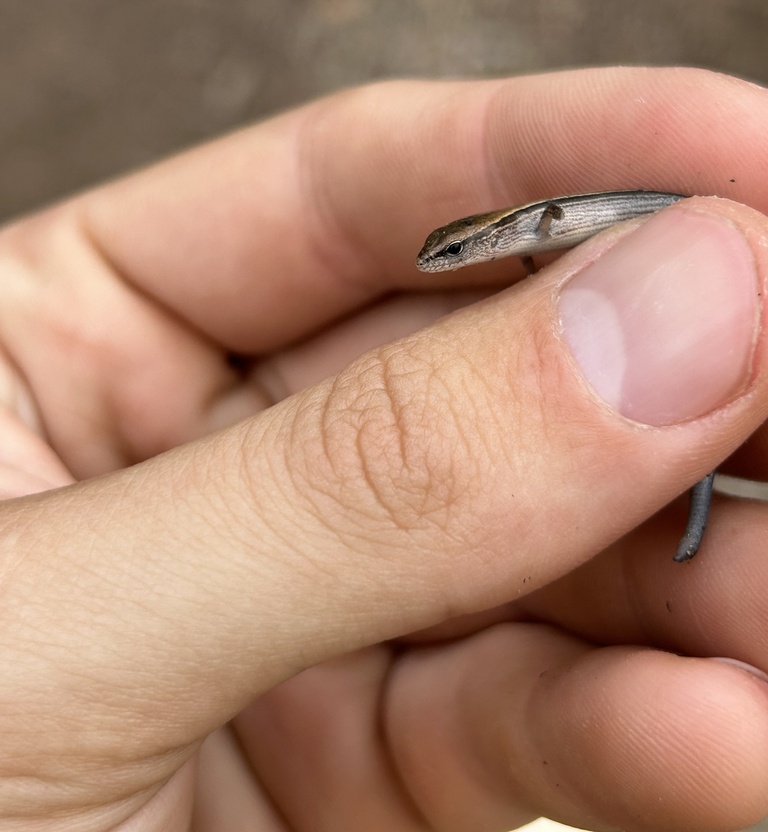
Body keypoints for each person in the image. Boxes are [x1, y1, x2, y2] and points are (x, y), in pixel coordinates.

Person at [0, 66, 767, 832]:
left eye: (456, 252)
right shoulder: (521, 233)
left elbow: (556, 220)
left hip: (681, 224)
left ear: (486, 238)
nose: (445, 262)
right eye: (451, 254)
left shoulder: (534, 224)